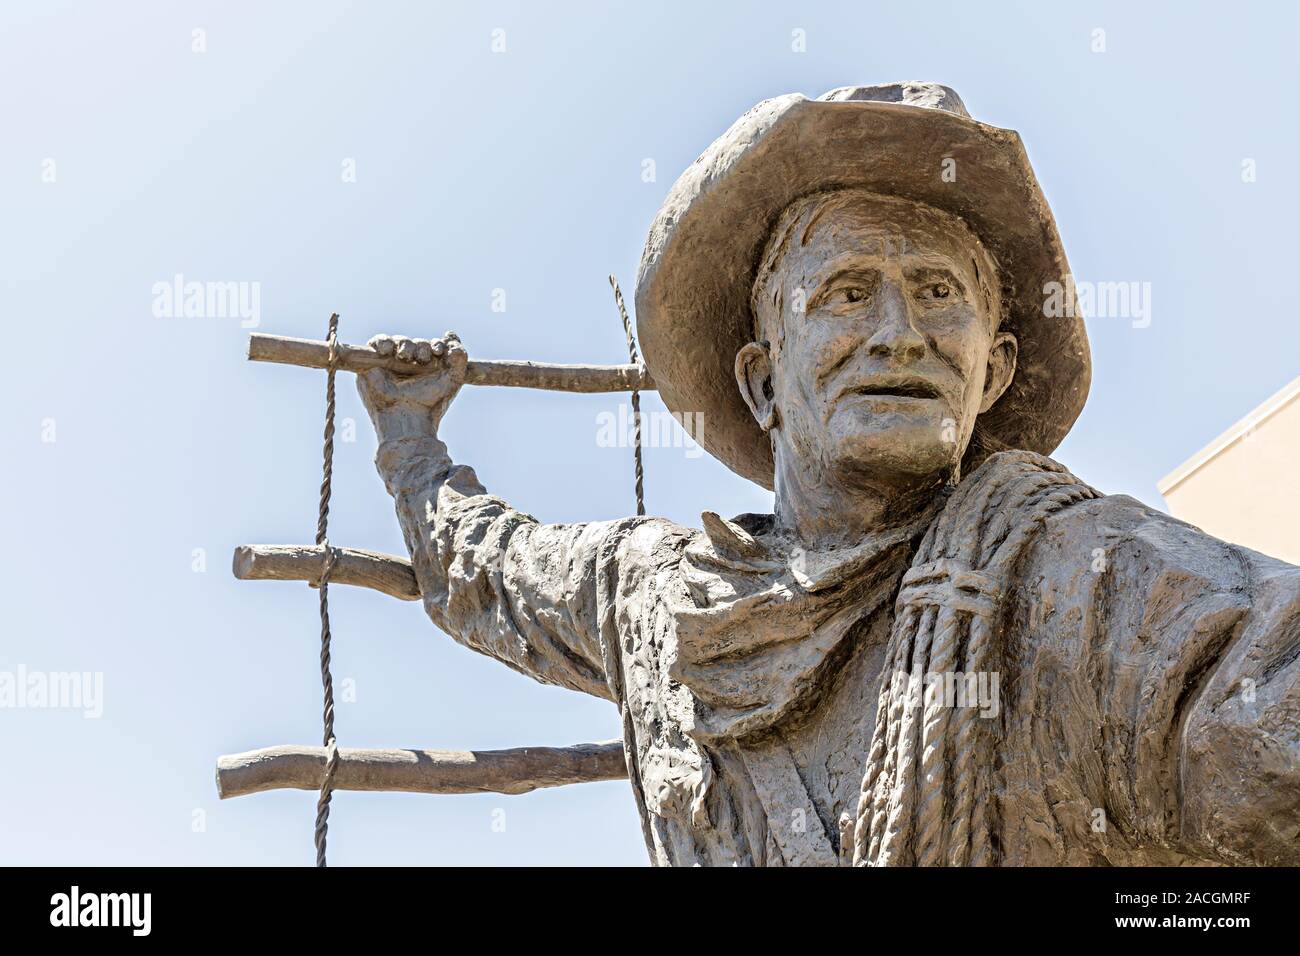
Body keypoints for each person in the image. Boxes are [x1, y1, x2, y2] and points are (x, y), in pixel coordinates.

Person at [356, 83, 1300, 866]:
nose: (899, 331)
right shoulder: (651, 598)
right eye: (847, 292)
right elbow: (489, 571)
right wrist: (410, 443)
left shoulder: (1080, 576)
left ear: (995, 370)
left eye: (939, 293)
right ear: (763, 379)